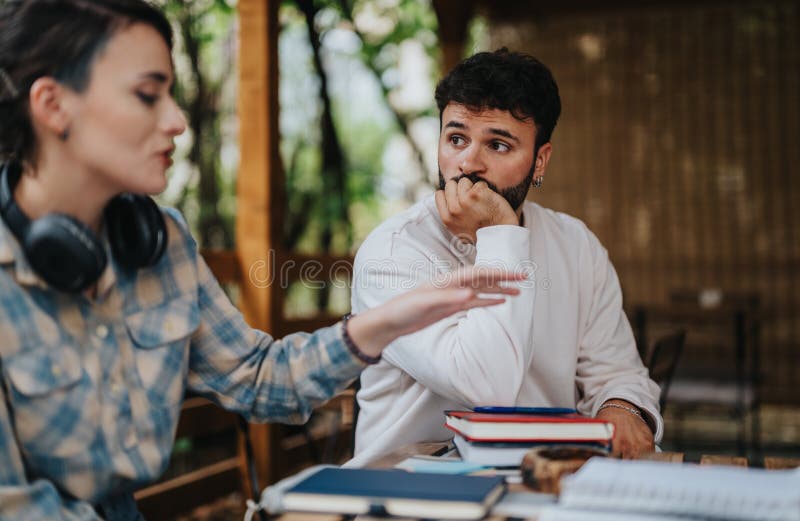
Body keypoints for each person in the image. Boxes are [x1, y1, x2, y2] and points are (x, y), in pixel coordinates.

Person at [0, 2, 523, 519]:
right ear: (52, 105)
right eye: (146, 95)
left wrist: (384, 323)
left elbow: (258, 380)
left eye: (170, 95)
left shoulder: (161, 242)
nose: (177, 121)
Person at [349, 49, 663, 467]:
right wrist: (500, 234)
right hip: (408, 492)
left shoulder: (576, 245)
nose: (468, 164)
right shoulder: (394, 252)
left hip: (544, 482)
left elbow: (617, 372)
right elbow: (486, 386)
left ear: (540, 161)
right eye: (456, 138)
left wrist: (621, 407)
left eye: (498, 144)